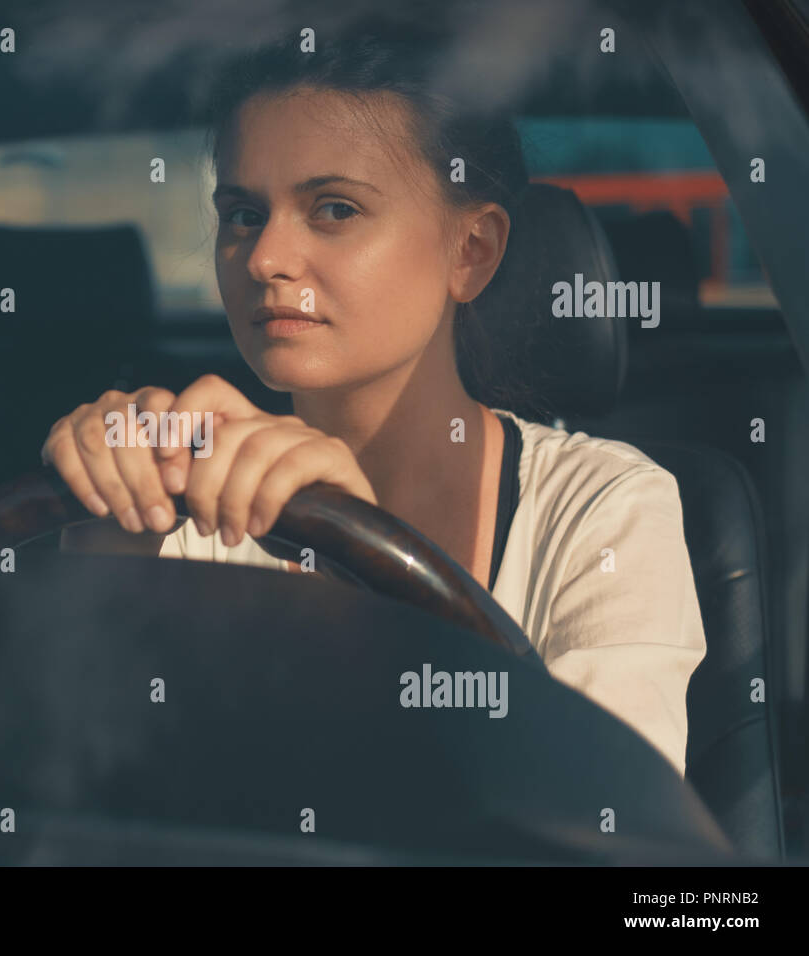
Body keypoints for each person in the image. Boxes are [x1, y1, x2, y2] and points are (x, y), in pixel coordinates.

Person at [39, 32, 706, 777]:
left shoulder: (604, 510)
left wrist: (371, 572)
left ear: (470, 252)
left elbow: (610, 823)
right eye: (241, 213)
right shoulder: (183, 510)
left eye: (333, 209)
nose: (263, 258)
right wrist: (107, 550)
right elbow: (82, 798)